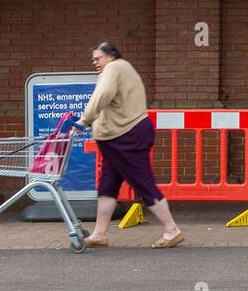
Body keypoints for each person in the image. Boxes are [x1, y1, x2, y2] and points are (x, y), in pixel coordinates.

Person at [78, 41, 183, 249]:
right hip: (118, 138)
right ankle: (99, 234)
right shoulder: (122, 68)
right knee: (108, 185)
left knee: (143, 182)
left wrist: (85, 119)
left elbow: (103, 94)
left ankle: (172, 230)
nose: (95, 62)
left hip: (125, 137)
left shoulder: (114, 67)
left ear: (110, 55)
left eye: (98, 58)